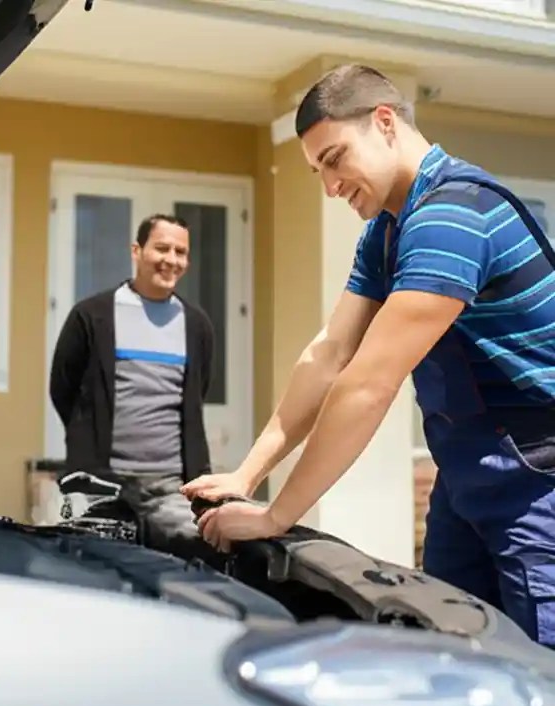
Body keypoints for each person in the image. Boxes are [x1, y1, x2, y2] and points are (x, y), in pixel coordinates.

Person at [182, 64, 555, 646]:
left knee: (538, 676)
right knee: (457, 657)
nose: (330, 187)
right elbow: (328, 354)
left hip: (538, 485)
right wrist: (247, 474)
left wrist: (276, 516)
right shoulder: (388, 230)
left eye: (334, 159)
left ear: (385, 123)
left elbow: (367, 384)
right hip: (465, 481)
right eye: (316, 171)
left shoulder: (453, 215)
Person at [49, 214, 216, 558]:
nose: (172, 260)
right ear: (137, 251)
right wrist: (90, 437)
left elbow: (197, 396)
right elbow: (63, 388)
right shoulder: (90, 316)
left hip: (174, 490)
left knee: (185, 578)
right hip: (101, 486)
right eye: (162, 248)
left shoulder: (197, 325)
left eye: (181, 252)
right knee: (93, 577)